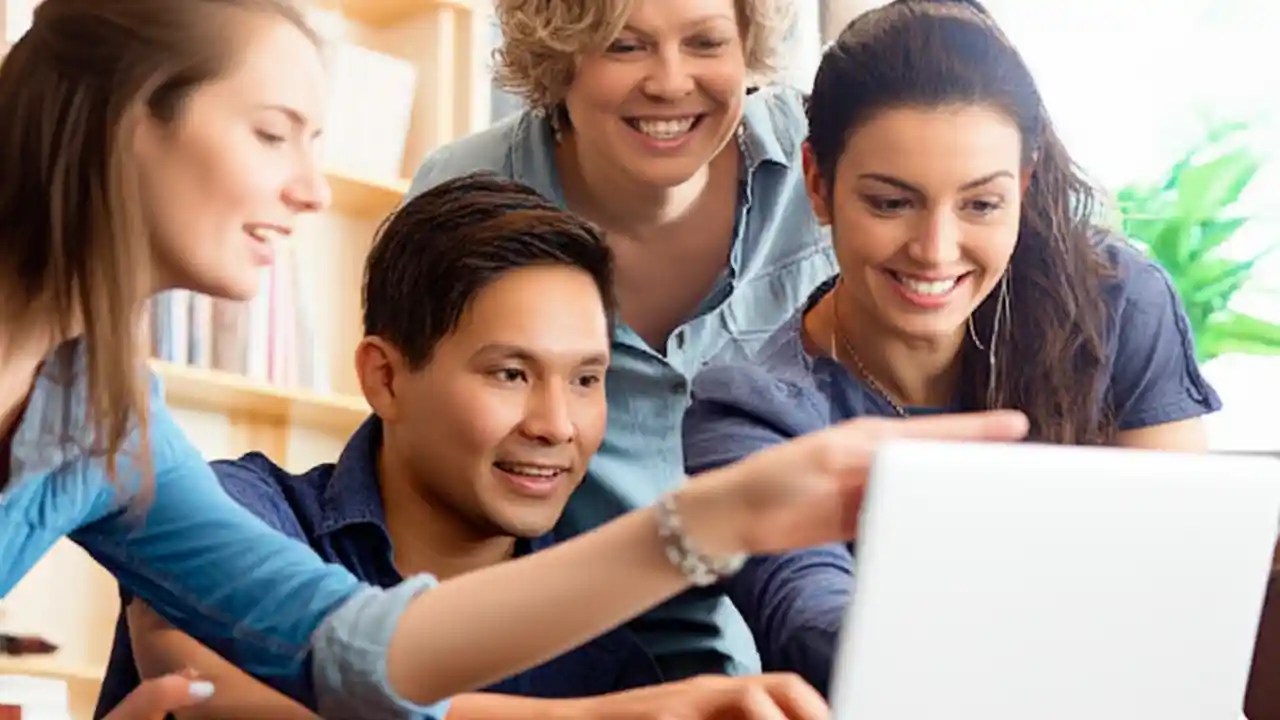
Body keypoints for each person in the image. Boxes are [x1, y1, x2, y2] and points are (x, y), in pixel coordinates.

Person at [0, 1, 1031, 718]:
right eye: (275, 135)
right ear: (129, 122)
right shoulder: (207, 468)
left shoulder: (105, 419)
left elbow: (348, 653)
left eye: (588, 377)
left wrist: (725, 518)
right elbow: (226, 680)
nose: (313, 191)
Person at [95, 172, 836, 719]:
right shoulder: (243, 511)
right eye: (511, 373)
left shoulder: (604, 660)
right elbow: (210, 690)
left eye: (586, 379)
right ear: (385, 379)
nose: (556, 424)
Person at [681, 0, 1226, 697]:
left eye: (981, 204)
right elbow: (820, 629)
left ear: (1023, 185)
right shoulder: (750, 414)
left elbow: (1180, 580)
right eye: (891, 203)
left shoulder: (1115, 303)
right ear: (818, 184)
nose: (936, 251)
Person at [407, 0, 837, 679]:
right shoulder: (462, 195)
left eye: (705, 43)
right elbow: (419, 479)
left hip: (806, 651)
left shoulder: (828, 166)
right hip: (563, 664)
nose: (670, 82)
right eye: (625, 46)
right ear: (560, 55)